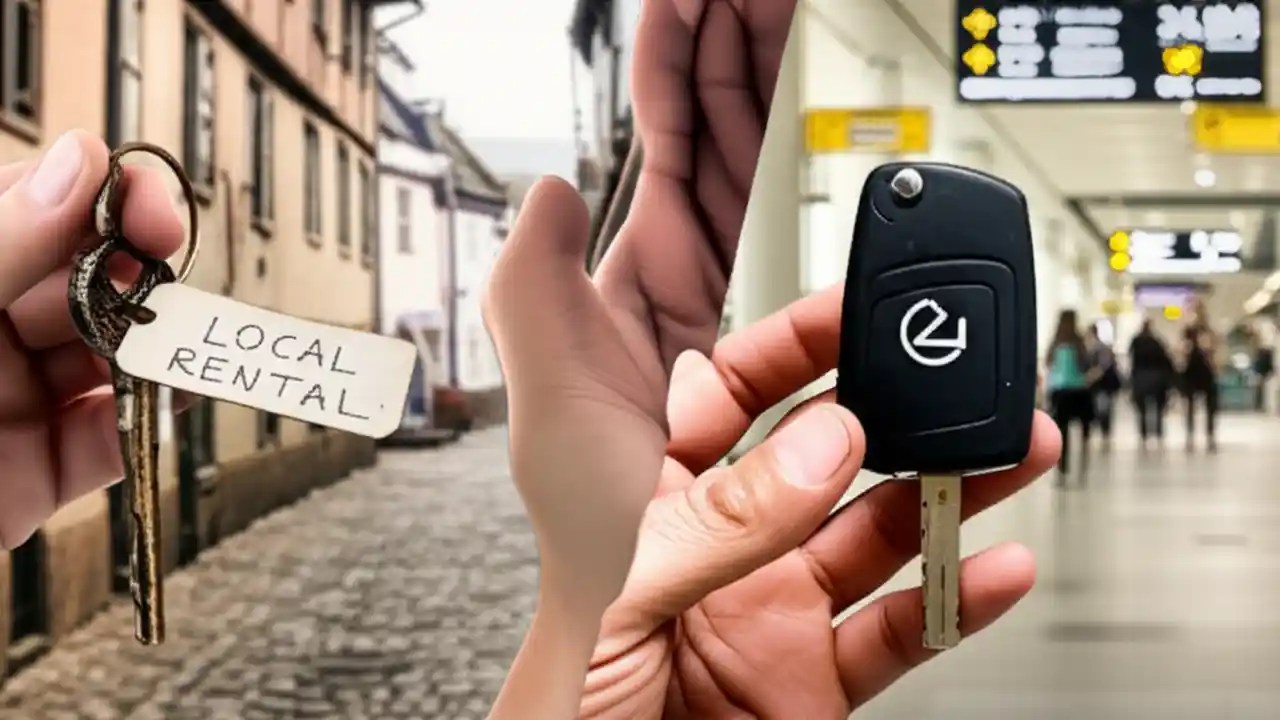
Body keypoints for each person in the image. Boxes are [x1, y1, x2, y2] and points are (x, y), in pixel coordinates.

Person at [1044, 310, 1094, 479]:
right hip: (1078, 390)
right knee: (1083, 431)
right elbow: (1085, 364)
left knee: (1062, 431)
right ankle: (1083, 466)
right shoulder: (1078, 342)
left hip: (1059, 391)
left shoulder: (1056, 342)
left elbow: (1048, 363)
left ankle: (1062, 468)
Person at [1128, 318, 1176, 448]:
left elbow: (1132, 360)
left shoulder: (1135, 341)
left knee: (1142, 410)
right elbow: (1166, 360)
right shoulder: (1157, 342)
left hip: (1140, 378)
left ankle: (1143, 435)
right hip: (1157, 379)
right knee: (1158, 409)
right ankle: (1159, 433)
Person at [1180, 298, 1220, 451]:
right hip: (1191, 369)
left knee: (1211, 405)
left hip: (1206, 369)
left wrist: (1212, 354)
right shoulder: (1187, 331)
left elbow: (1215, 348)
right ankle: (1190, 437)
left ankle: (1210, 436)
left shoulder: (1209, 330)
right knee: (1189, 405)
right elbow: (1181, 349)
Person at [1084, 324, 1121, 449]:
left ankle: (1104, 435)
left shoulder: (1098, 348)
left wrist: (1090, 377)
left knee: (1102, 410)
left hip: (1102, 385)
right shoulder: (1090, 348)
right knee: (1100, 410)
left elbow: (1103, 366)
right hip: (1100, 386)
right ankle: (1103, 435)